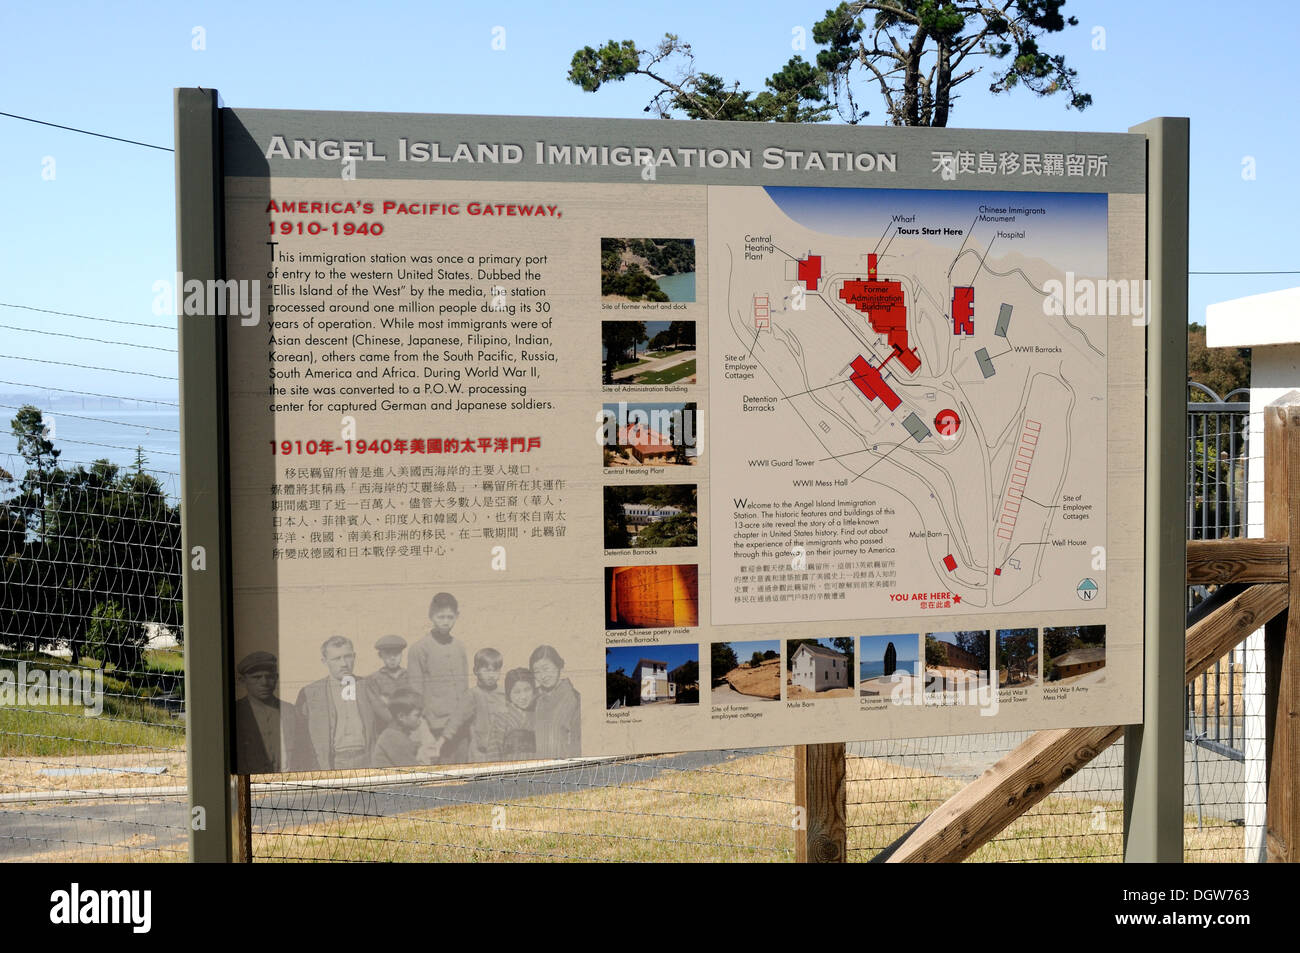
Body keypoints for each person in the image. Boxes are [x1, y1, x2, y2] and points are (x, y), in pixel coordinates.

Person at [295, 636, 377, 770]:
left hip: (367, 761)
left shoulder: (369, 686)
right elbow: (300, 737)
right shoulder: (309, 693)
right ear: (324, 661)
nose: (344, 663)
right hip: (331, 764)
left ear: (354, 657)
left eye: (348, 656)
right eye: (336, 659)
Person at [407, 592, 469, 762]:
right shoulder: (419, 649)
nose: (445, 621)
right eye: (440, 617)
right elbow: (415, 695)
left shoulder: (459, 647)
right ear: (431, 616)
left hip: (461, 726)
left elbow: (464, 688)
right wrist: (424, 730)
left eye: (450, 617)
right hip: (435, 727)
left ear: (457, 616)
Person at [234, 651, 304, 773]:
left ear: (276, 678)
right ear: (242, 680)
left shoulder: (290, 711)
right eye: (256, 677)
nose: (264, 683)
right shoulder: (236, 712)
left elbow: (304, 750)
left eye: (269, 677)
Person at [447, 647, 509, 762]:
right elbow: (456, 720)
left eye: (495, 670)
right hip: (480, 755)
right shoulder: (472, 695)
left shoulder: (505, 694)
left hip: (502, 753)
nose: (491, 675)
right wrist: (441, 742)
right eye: (486, 670)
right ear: (475, 670)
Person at [529, 645, 581, 758]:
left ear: (558, 666)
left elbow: (579, 744)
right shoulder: (536, 701)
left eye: (546, 668)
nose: (543, 676)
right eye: (537, 671)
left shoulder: (574, 699)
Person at [372, 690, 438, 767]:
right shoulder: (394, 739)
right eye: (417, 715)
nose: (420, 720)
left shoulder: (393, 733)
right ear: (401, 716)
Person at [366, 634, 410, 730]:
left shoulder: (409, 676)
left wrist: (389, 701)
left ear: (402, 654)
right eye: (388, 653)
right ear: (380, 655)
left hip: (410, 726)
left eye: (396, 653)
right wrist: (397, 724)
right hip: (386, 728)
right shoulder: (373, 679)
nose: (392, 658)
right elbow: (378, 707)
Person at [498, 667, 536, 761]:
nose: (523, 696)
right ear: (509, 694)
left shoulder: (538, 716)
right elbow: (493, 753)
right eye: (517, 692)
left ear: (533, 689)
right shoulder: (501, 719)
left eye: (527, 690)